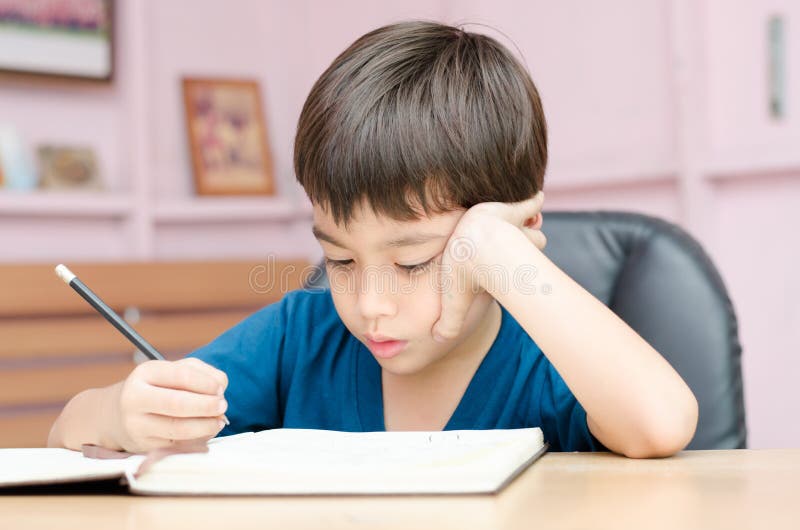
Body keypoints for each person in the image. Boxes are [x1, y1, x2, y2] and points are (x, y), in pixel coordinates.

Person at [48, 21, 697, 457]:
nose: (369, 305)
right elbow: (65, 436)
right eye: (339, 258)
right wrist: (117, 413)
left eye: (413, 263)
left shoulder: (548, 360)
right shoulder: (301, 337)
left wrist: (498, 253)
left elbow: (662, 423)